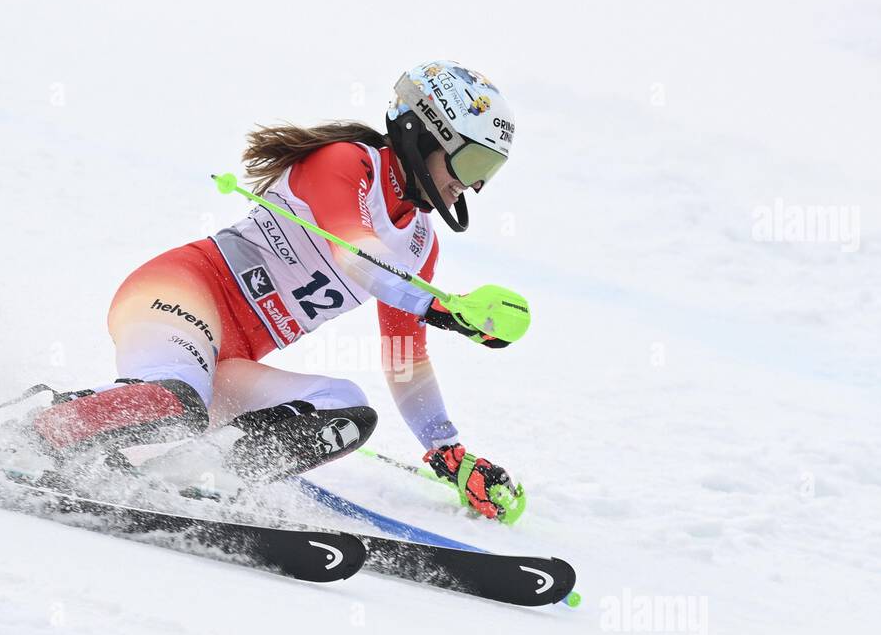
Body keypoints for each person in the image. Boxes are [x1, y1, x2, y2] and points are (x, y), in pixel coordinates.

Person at [32, 60, 524, 522]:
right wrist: (438, 305)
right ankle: (30, 430)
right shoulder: (347, 162)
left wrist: (448, 453)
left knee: (345, 408)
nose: (474, 185)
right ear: (425, 134)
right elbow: (356, 252)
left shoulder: (419, 243)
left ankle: (190, 476)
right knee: (177, 399)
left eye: (490, 172)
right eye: (473, 161)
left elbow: (404, 356)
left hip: (229, 362)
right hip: (179, 295)